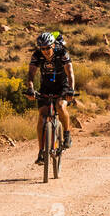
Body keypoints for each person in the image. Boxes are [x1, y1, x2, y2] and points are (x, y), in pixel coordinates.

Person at [25, 31, 75, 166]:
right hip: (46, 86)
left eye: (48, 47)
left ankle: (67, 134)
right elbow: (31, 74)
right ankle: (41, 151)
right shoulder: (37, 55)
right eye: (43, 48)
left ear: (53, 45)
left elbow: (70, 72)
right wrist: (30, 89)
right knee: (42, 115)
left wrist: (71, 89)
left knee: (60, 106)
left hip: (62, 85)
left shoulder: (62, 52)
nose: (46, 51)